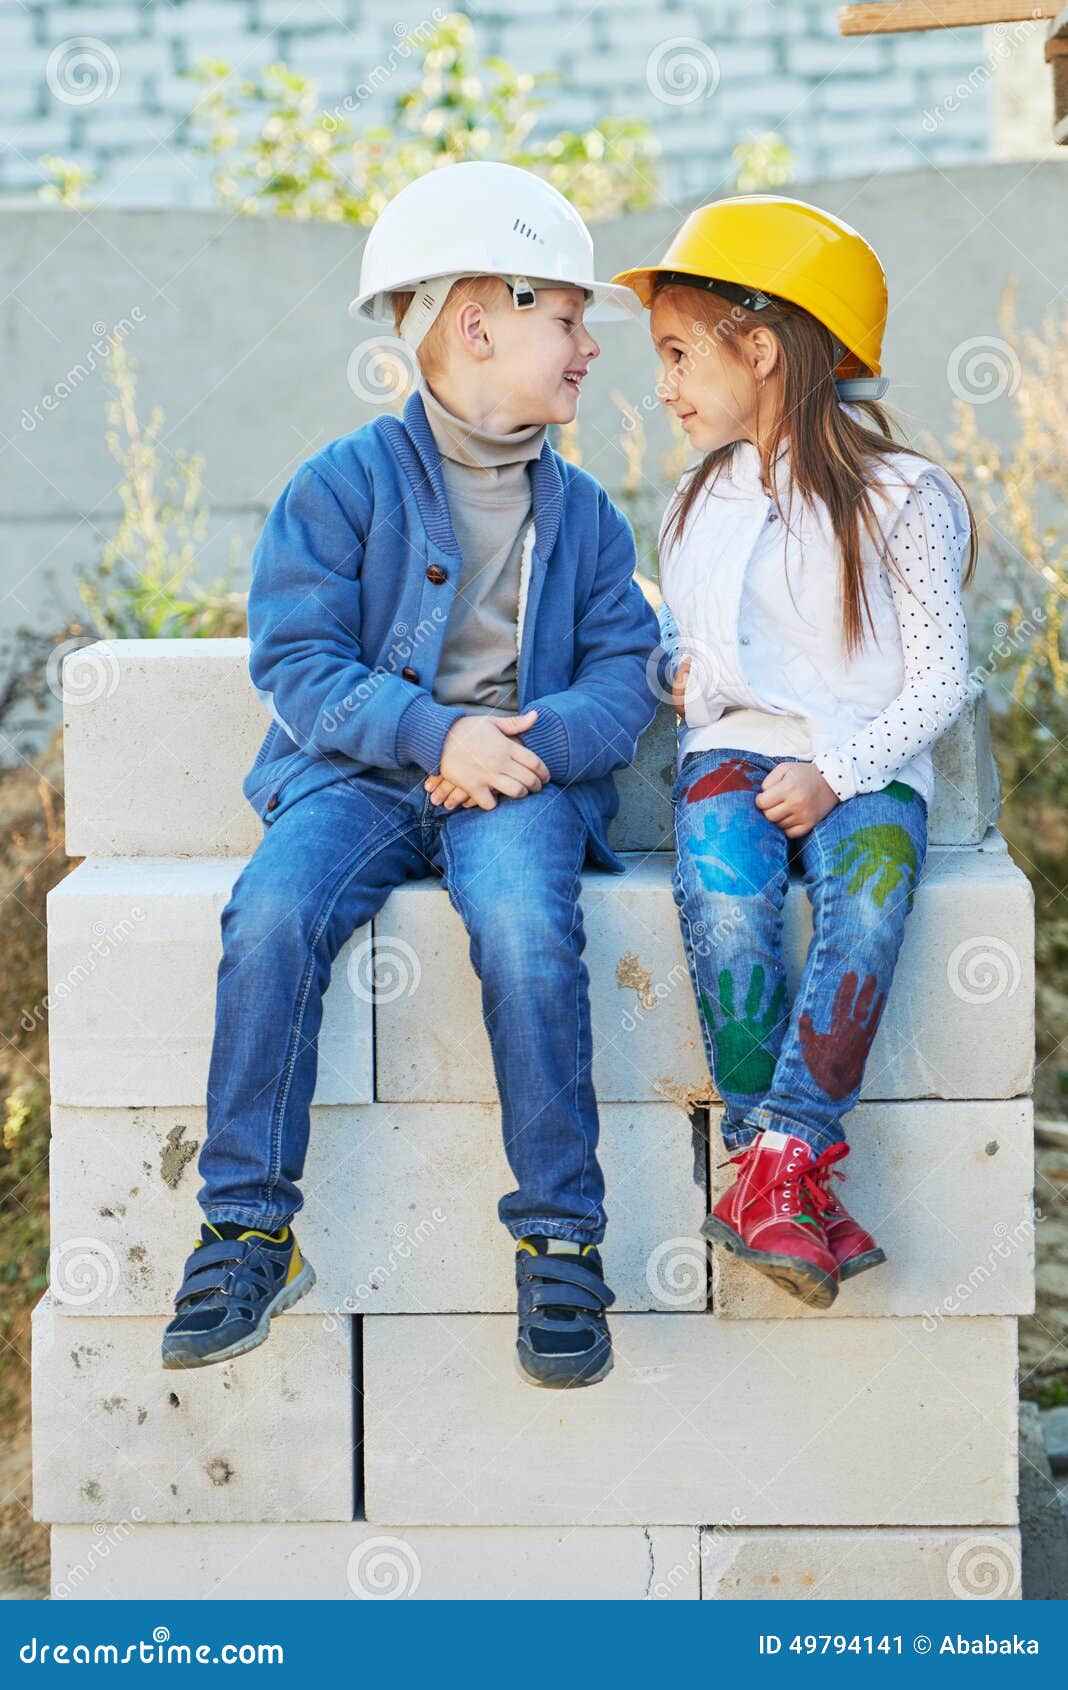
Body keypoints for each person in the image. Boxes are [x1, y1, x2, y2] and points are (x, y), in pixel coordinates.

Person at [161, 161, 661, 1385]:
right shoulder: (340, 485)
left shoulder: (585, 514)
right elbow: (297, 658)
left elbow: (626, 670)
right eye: (569, 315)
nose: (593, 346)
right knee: (272, 911)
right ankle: (246, 1228)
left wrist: (521, 749)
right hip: (359, 774)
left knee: (527, 928)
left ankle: (560, 1236)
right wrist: (434, 735)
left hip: (520, 788)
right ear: (480, 320)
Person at [612, 195, 977, 1309]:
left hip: (859, 760)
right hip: (730, 752)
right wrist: (668, 668)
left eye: (678, 355)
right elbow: (691, 636)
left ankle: (774, 1162)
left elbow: (942, 679)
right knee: (725, 899)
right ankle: (787, 1175)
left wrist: (843, 775)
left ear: (761, 349)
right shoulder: (699, 498)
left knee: (865, 903)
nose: (663, 386)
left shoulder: (900, 498)